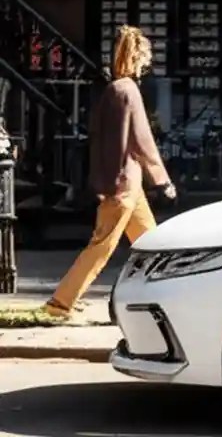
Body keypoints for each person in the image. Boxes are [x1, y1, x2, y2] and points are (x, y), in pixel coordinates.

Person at [44, 25, 176, 319]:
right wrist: (162, 180)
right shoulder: (127, 91)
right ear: (136, 56)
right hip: (124, 184)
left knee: (151, 243)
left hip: (127, 183)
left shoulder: (114, 89)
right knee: (103, 245)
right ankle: (60, 304)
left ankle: (162, 298)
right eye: (146, 57)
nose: (148, 64)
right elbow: (141, 141)